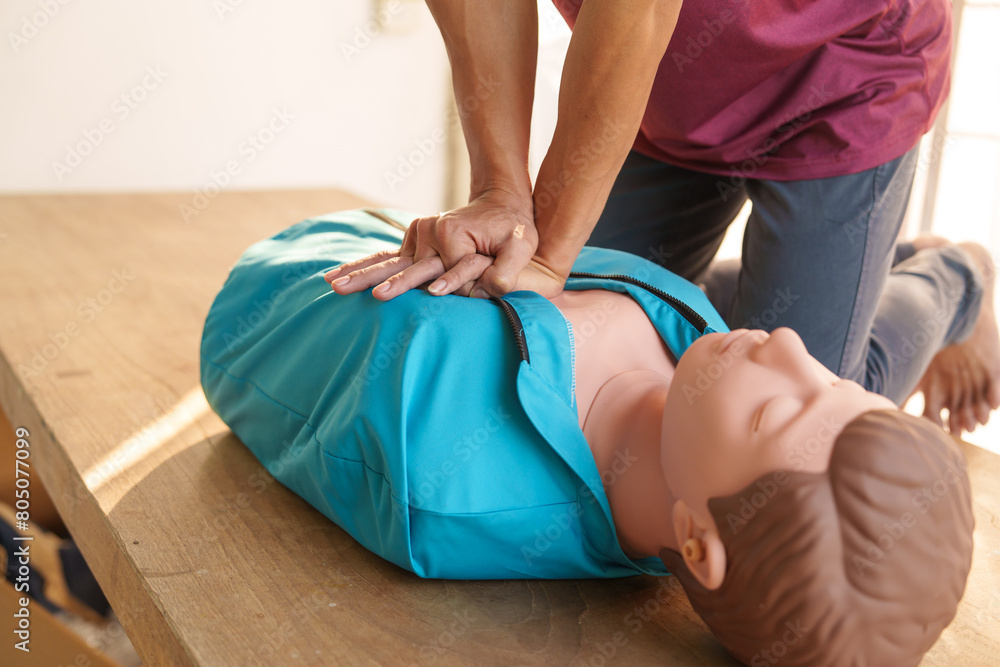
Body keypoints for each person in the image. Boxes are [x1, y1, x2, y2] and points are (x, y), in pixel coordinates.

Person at [201, 208, 981, 665]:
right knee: (853, 351)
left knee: (863, 352)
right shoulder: (709, 373)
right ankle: (952, 271)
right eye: (829, 384)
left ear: (697, 541)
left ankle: (954, 272)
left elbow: (280, 333)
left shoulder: (437, 456)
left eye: (772, 413)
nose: (787, 343)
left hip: (295, 261)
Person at [327, 0, 1000, 435]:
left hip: (843, 71)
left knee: (806, 417)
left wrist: (548, 254)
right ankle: (807, 283)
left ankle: (953, 274)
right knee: (582, 340)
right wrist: (500, 190)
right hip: (672, 81)